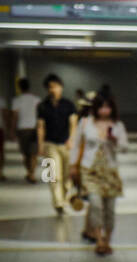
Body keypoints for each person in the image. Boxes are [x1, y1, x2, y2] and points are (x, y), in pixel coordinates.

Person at [70, 92, 126, 256]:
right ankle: (98, 239)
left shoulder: (117, 125)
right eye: (101, 106)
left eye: (107, 107)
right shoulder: (86, 123)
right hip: (90, 169)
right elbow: (76, 144)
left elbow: (124, 147)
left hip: (110, 170)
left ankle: (107, 240)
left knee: (109, 208)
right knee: (95, 204)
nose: (104, 110)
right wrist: (73, 165)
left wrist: (115, 141)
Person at [36, 74, 78, 214]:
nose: (53, 89)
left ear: (61, 87)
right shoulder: (42, 106)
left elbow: (73, 123)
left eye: (55, 86)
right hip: (50, 144)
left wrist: (72, 139)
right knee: (53, 175)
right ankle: (58, 203)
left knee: (67, 177)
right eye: (50, 87)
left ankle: (64, 198)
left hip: (66, 144)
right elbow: (40, 126)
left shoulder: (69, 104)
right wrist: (40, 145)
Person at [13, 78, 41, 183]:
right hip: (34, 128)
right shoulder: (36, 99)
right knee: (33, 154)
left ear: (20, 87)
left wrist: (12, 130)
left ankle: (30, 172)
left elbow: (15, 116)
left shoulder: (17, 100)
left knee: (26, 154)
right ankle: (32, 174)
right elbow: (40, 115)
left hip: (22, 128)